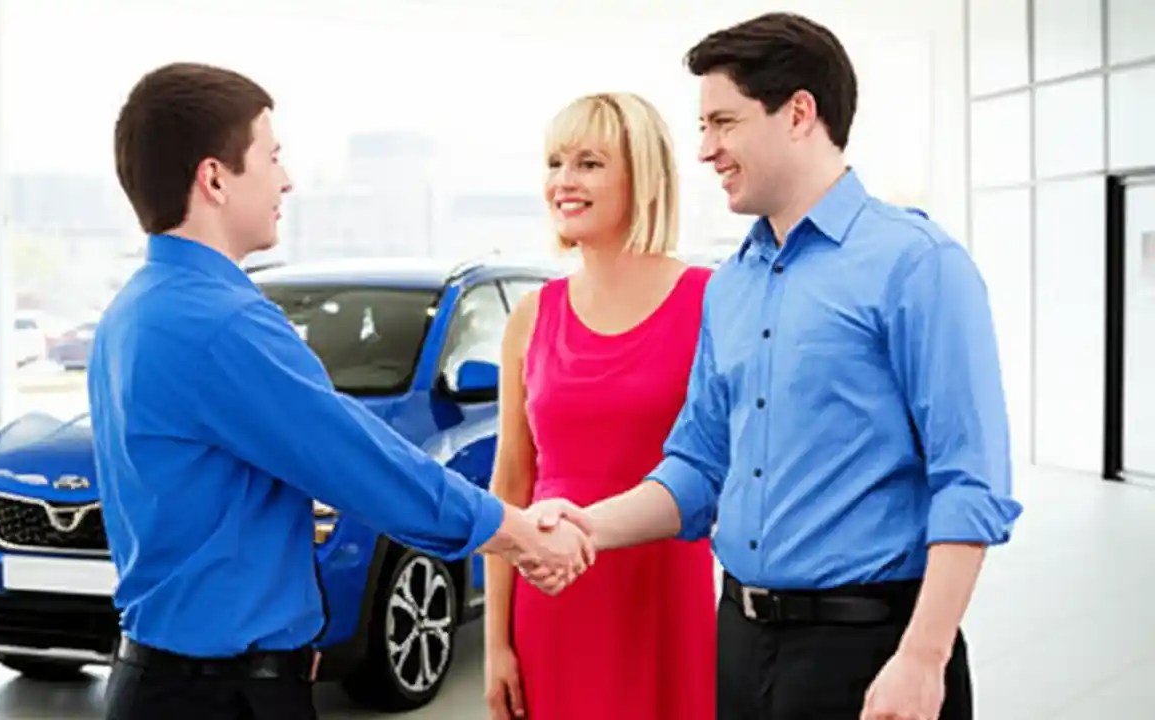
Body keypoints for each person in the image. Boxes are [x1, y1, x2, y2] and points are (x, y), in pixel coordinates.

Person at [528, 13, 1024, 720]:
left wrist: (923, 655)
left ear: (798, 113)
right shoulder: (732, 285)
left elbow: (970, 478)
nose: (706, 150)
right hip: (742, 641)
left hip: (872, 648)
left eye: (722, 123)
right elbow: (698, 466)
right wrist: (588, 526)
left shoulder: (916, 264)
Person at [89, 62, 593, 720]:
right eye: (271, 156)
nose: (287, 179)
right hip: (221, 696)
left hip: (160, 676)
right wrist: (518, 531)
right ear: (214, 178)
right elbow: (361, 463)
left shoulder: (132, 310)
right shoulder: (224, 323)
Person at [483, 92, 717, 720]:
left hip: (665, 590)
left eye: (588, 163)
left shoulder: (711, 302)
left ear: (640, 176)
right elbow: (511, 482)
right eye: (556, 162)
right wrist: (495, 644)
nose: (563, 181)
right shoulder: (532, 316)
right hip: (552, 598)